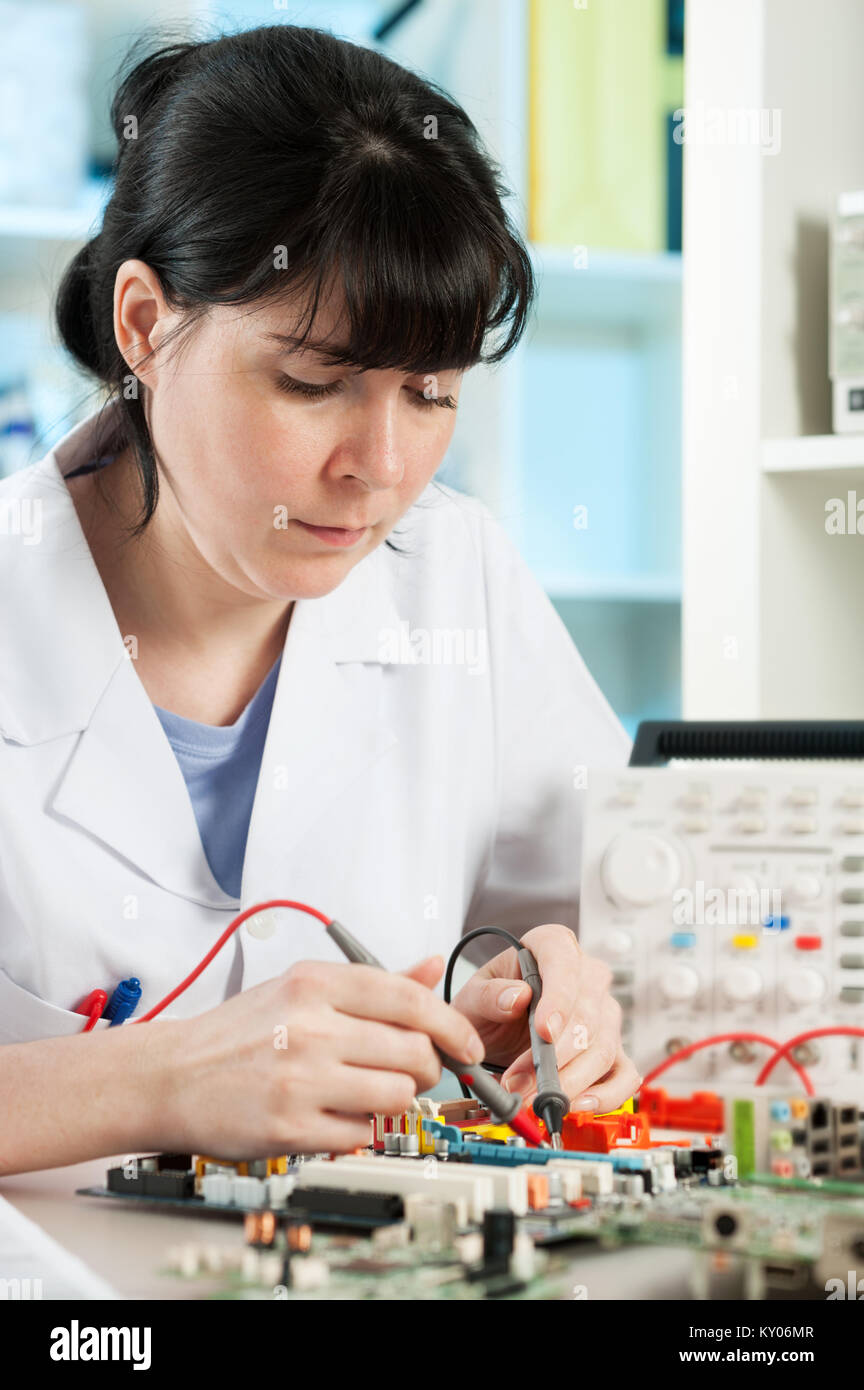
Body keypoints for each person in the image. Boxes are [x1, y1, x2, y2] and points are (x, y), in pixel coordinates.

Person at [0, 24, 638, 1175]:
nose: (383, 465)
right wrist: (163, 1078)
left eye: (431, 393)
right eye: (312, 383)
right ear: (145, 326)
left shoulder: (456, 575)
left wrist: (565, 982)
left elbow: (615, 921)